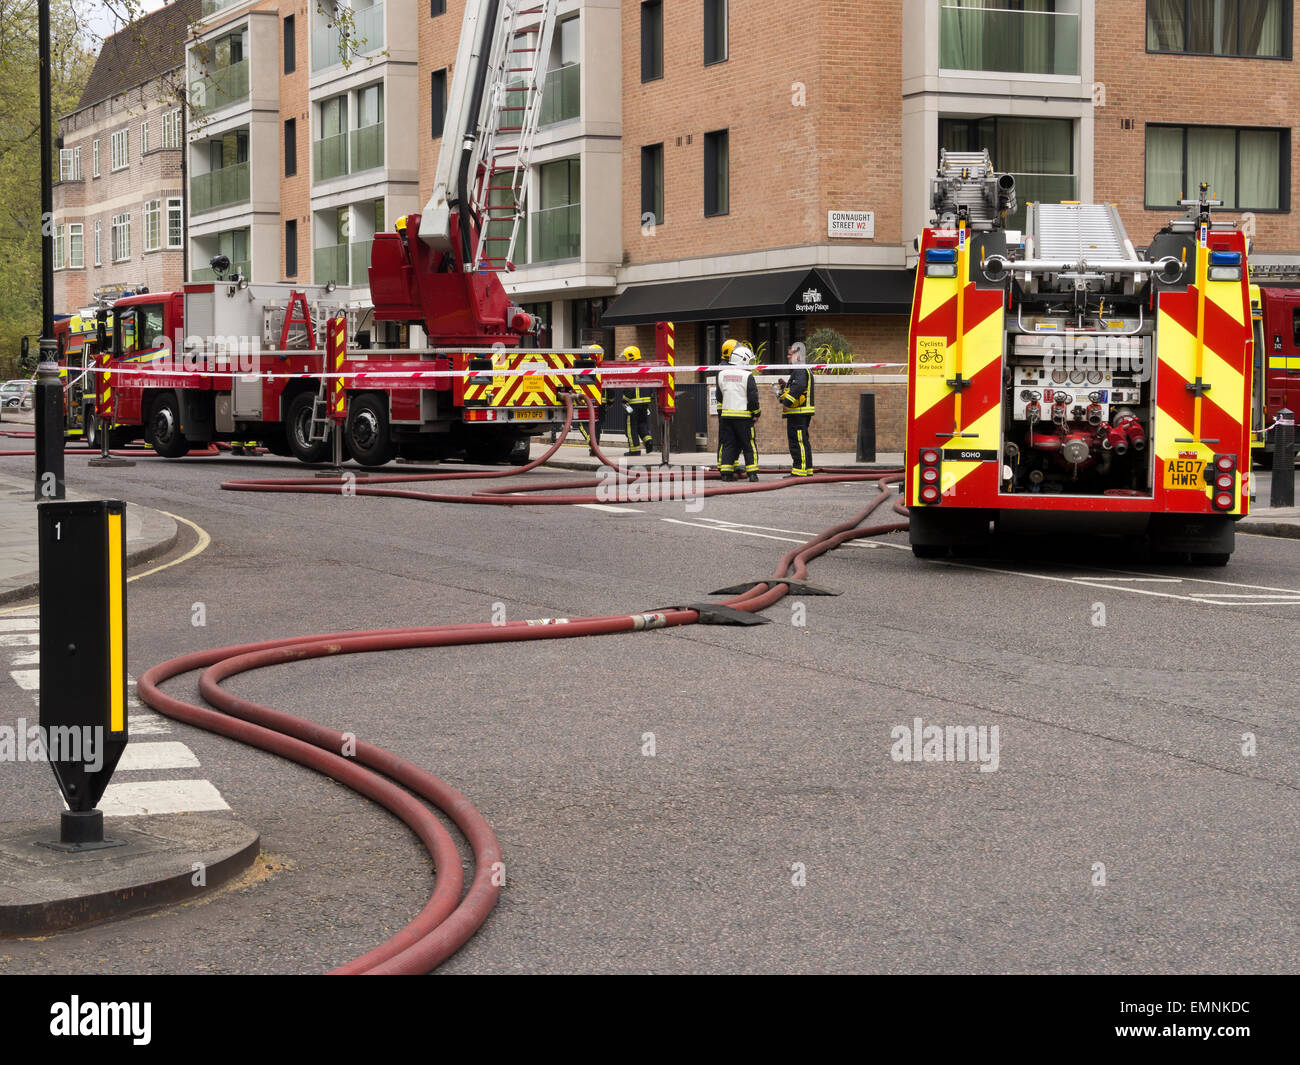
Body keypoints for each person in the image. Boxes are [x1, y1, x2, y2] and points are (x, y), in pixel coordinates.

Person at [716, 343, 760, 481]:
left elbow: (719, 396)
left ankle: (726, 474)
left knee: (728, 444)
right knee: (748, 444)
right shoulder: (748, 376)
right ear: (744, 359)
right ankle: (752, 474)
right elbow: (753, 398)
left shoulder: (721, 374)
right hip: (744, 418)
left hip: (726, 416)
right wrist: (756, 413)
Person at [777, 342, 816, 475]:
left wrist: (786, 403)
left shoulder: (800, 369)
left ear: (798, 357)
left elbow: (799, 387)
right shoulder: (801, 370)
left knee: (797, 441)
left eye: (790, 355)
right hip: (800, 412)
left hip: (798, 413)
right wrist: (785, 387)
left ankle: (800, 469)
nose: (787, 357)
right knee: (802, 441)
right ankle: (807, 468)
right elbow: (796, 388)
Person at [618, 345, 654, 456]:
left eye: (625, 357)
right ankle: (648, 441)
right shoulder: (645, 367)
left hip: (633, 404)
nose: (624, 360)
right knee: (642, 424)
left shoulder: (631, 368)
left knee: (630, 427)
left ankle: (634, 450)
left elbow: (629, 386)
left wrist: (624, 400)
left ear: (630, 357)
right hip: (645, 404)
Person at [578, 343, 604, 454]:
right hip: (601, 403)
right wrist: (610, 401)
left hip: (586, 402)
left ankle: (591, 443)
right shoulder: (604, 367)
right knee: (596, 425)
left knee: (582, 424)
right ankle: (595, 447)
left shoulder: (583, 365)